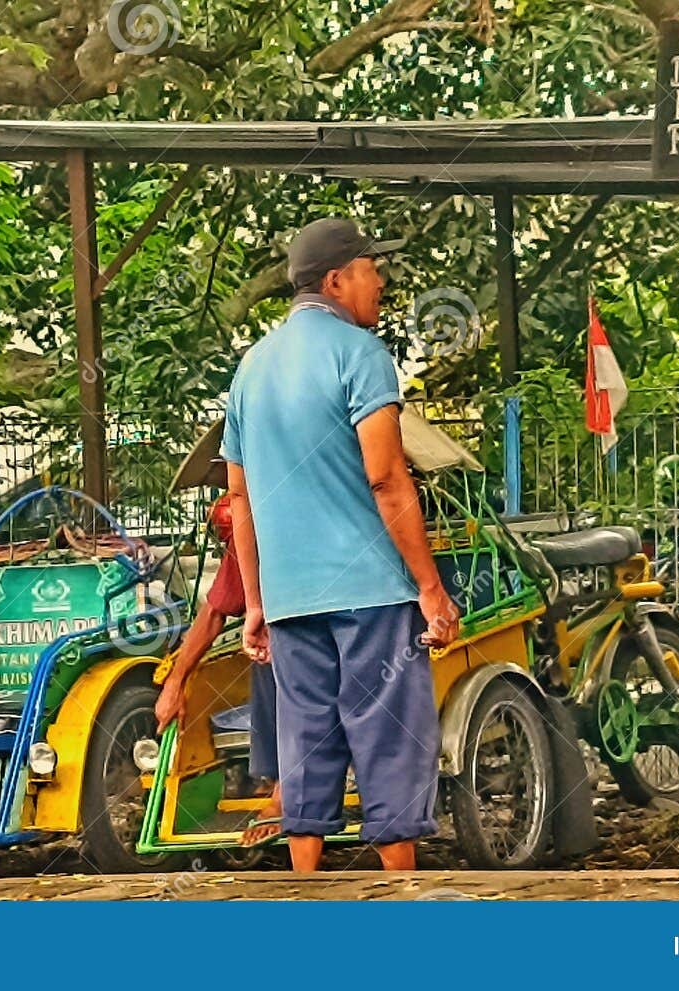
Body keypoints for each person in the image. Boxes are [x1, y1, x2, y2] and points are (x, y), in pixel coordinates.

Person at [222, 216, 461, 873]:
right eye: (369, 268)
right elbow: (387, 476)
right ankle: (401, 902)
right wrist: (431, 586)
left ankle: (308, 896)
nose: (380, 281)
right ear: (336, 280)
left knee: (306, 745)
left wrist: (257, 601)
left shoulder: (251, 368)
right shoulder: (359, 354)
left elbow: (239, 499)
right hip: (372, 593)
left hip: (293, 598)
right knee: (387, 739)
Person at [154, 494, 282, 846]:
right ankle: (273, 781)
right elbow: (213, 613)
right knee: (267, 663)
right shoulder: (246, 543)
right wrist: (175, 683)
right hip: (279, 641)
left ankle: (285, 796)